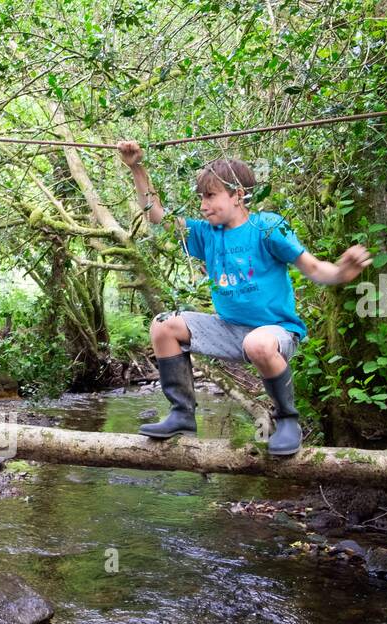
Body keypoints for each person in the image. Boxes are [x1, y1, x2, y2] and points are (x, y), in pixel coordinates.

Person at [117, 143, 372, 454]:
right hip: (229, 329)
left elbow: (314, 268)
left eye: (210, 196)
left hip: (275, 332)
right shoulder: (205, 234)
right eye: (200, 198)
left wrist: (342, 273)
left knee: (258, 343)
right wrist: (136, 168)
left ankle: (288, 420)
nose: (202, 205)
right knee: (163, 326)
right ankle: (181, 415)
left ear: (237, 195)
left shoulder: (267, 227)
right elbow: (155, 215)